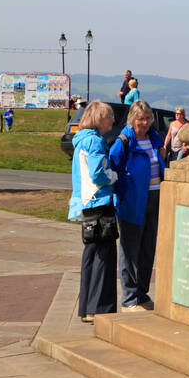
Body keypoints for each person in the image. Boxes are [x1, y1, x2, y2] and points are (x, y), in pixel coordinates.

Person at [109, 100, 164, 312]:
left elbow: (161, 164)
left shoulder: (154, 139)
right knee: (130, 250)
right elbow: (113, 169)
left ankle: (142, 293)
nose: (145, 122)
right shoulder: (123, 141)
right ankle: (129, 298)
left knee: (148, 248)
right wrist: (123, 190)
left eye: (148, 118)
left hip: (154, 197)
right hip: (132, 200)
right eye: (141, 118)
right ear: (132, 119)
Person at [68, 100, 119, 323]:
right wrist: (114, 176)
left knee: (90, 255)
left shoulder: (81, 140)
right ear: (99, 118)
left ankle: (87, 308)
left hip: (86, 204)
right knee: (103, 257)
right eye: (109, 116)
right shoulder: (96, 142)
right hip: (99, 201)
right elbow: (99, 173)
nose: (113, 121)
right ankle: (98, 307)